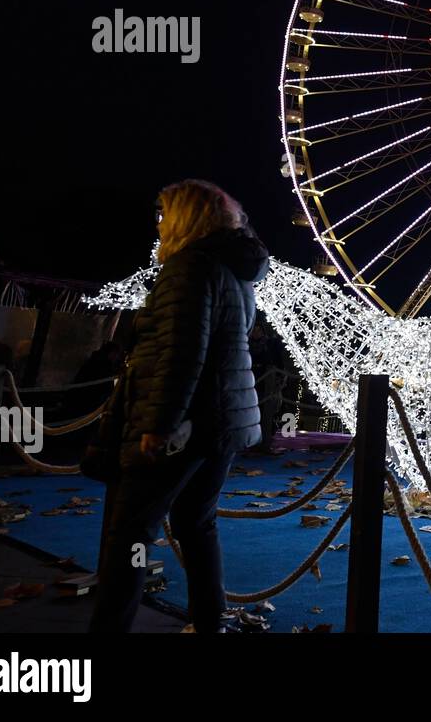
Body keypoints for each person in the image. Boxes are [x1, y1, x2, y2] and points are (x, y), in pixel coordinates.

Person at [89, 180, 268, 633]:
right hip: (223, 421)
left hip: (184, 423)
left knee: (130, 534)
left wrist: (160, 424)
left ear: (186, 217)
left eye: (166, 213)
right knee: (197, 524)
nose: (160, 222)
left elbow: (181, 352)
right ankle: (211, 621)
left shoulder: (188, 269)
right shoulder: (236, 275)